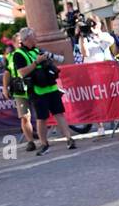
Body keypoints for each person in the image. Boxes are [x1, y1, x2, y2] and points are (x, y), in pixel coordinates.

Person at [10, 27, 77, 155]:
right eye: (34, 37)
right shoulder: (19, 54)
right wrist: (36, 62)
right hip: (37, 90)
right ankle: (44, 143)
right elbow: (21, 72)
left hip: (51, 86)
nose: (36, 39)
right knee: (42, 118)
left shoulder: (38, 50)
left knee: (59, 113)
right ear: (26, 39)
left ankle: (69, 139)